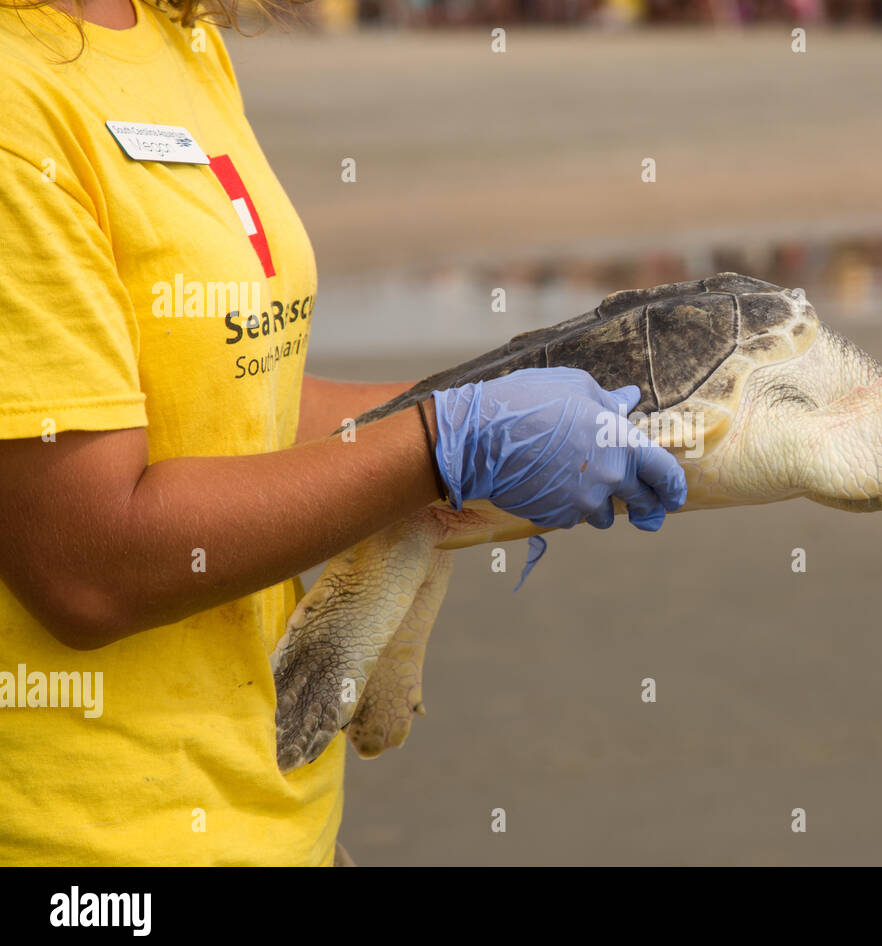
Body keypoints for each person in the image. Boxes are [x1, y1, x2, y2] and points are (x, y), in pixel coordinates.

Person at [0, 0, 686, 865]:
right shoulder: (16, 101)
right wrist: (443, 443)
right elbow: (87, 567)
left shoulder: (176, 32)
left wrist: (488, 399)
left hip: (279, 815)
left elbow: (241, 407)